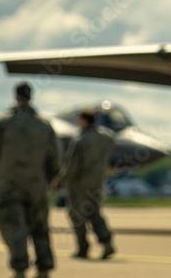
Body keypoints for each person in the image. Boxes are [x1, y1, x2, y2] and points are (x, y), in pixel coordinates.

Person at [0, 82, 61, 278]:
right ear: (31, 97)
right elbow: (55, 158)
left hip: (9, 184)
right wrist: (50, 178)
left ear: (16, 97)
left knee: (14, 226)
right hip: (37, 185)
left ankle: (20, 269)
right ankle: (44, 269)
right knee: (40, 227)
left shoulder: (4, 122)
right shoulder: (44, 125)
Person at [54, 109, 117, 260]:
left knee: (77, 216)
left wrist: (60, 180)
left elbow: (72, 165)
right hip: (97, 182)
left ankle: (83, 248)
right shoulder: (106, 138)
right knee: (95, 213)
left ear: (84, 121)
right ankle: (107, 243)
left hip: (79, 184)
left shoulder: (81, 139)